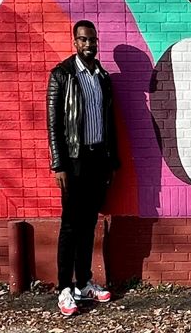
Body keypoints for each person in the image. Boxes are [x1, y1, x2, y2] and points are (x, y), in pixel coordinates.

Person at [47, 19, 119, 316]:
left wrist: (112, 161)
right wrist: (58, 164)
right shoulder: (62, 75)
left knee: (89, 224)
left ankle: (84, 281)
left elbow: (110, 122)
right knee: (70, 225)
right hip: (73, 162)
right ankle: (65, 288)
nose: (90, 44)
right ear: (75, 42)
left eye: (93, 39)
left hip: (97, 159)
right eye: (84, 40)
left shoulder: (102, 77)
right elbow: (53, 124)